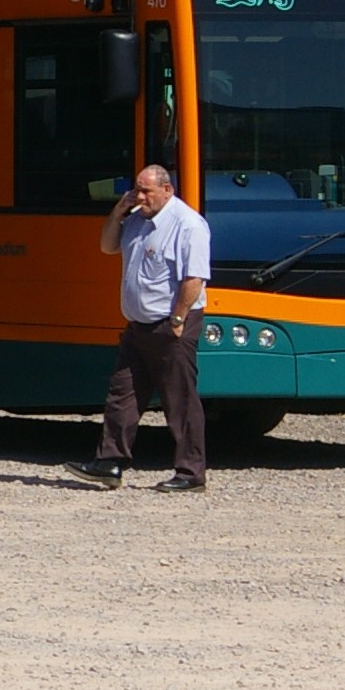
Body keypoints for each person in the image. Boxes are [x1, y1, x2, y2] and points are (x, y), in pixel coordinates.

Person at [66, 164, 212, 492]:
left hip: (171, 324)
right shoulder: (135, 220)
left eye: (146, 191)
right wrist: (119, 210)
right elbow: (106, 246)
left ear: (167, 190)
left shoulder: (188, 225)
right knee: (123, 393)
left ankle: (191, 473)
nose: (139, 196)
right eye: (137, 189)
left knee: (180, 399)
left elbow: (194, 278)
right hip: (138, 325)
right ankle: (110, 463)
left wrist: (178, 319)